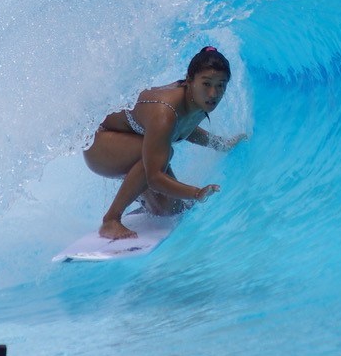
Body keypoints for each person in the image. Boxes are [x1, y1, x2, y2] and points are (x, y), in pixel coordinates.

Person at [84, 46, 247, 240]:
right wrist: (195, 193)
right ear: (190, 80)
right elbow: (154, 176)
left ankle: (142, 198)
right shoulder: (165, 113)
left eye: (221, 85)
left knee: (170, 209)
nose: (213, 93)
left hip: (124, 141)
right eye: (206, 84)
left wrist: (220, 144)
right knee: (159, 156)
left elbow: (183, 128)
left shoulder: (194, 100)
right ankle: (111, 220)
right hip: (99, 145)